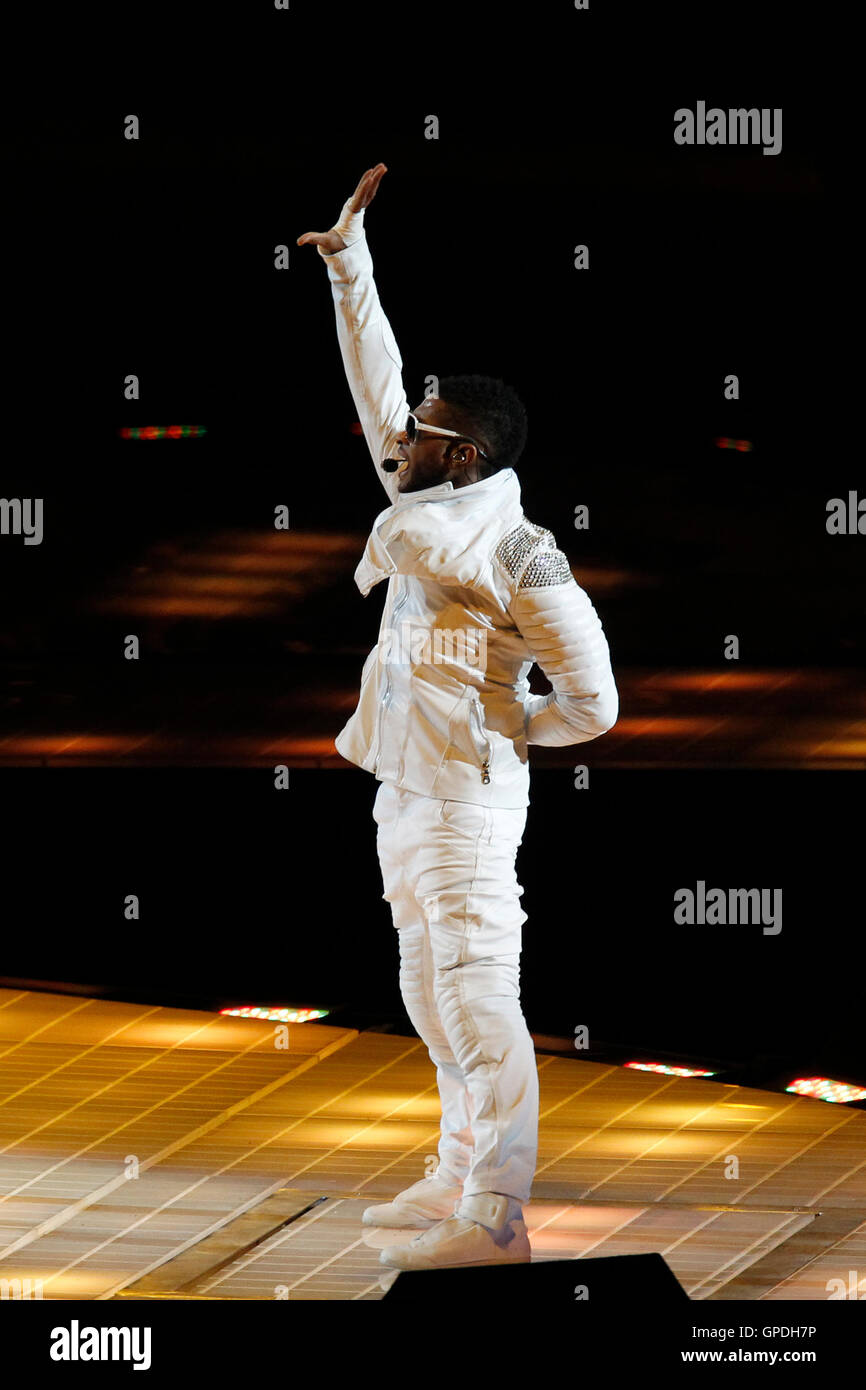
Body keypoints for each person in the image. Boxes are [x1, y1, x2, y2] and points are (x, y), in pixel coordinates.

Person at [297, 165, 618, 1271]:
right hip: (405, 791)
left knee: (479, 998)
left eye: (423, 434)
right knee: (425, 991)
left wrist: (515, 731)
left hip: (471, 806)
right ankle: (452, 1171)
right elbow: (374, 386)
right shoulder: (422, 492)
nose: (401, 441)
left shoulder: (521, 554)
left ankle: (499, 1216)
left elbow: (595, 697)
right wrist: (351, 266)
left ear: (463, 453)